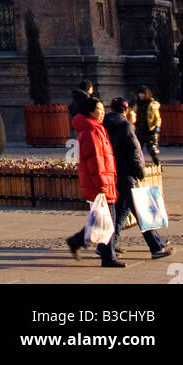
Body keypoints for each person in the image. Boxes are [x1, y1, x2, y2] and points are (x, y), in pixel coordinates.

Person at [104, 97, 173, 261]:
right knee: (141, 210)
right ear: (126, 110)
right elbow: (135, 153)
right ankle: (157, 247)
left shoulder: (104, 125)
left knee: (120, 211)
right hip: (127, 175)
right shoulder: (126, 126)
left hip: (113, 173)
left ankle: (106, 246)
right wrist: (141, 173)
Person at [66, 96, 123, 268]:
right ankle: (108, 257)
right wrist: (102, 185)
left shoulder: (96, 128)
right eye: (99, 109)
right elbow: (95, 160)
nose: (103, 112)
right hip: (100, 183)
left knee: (102, 220)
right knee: (108, 221)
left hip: (103, 180)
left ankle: (77, 242)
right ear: (91, 112)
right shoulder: (91, 131)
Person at [135, 87, 161, 165]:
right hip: (139, 130)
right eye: (140, 93)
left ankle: (158, 165)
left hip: (149, 130)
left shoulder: (152, 105)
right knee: (137, 149)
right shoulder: (137, 105)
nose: (141, 95)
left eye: (143, 93)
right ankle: (139, 165)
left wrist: (156, 127)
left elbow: (157, 118)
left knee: (152, 150)